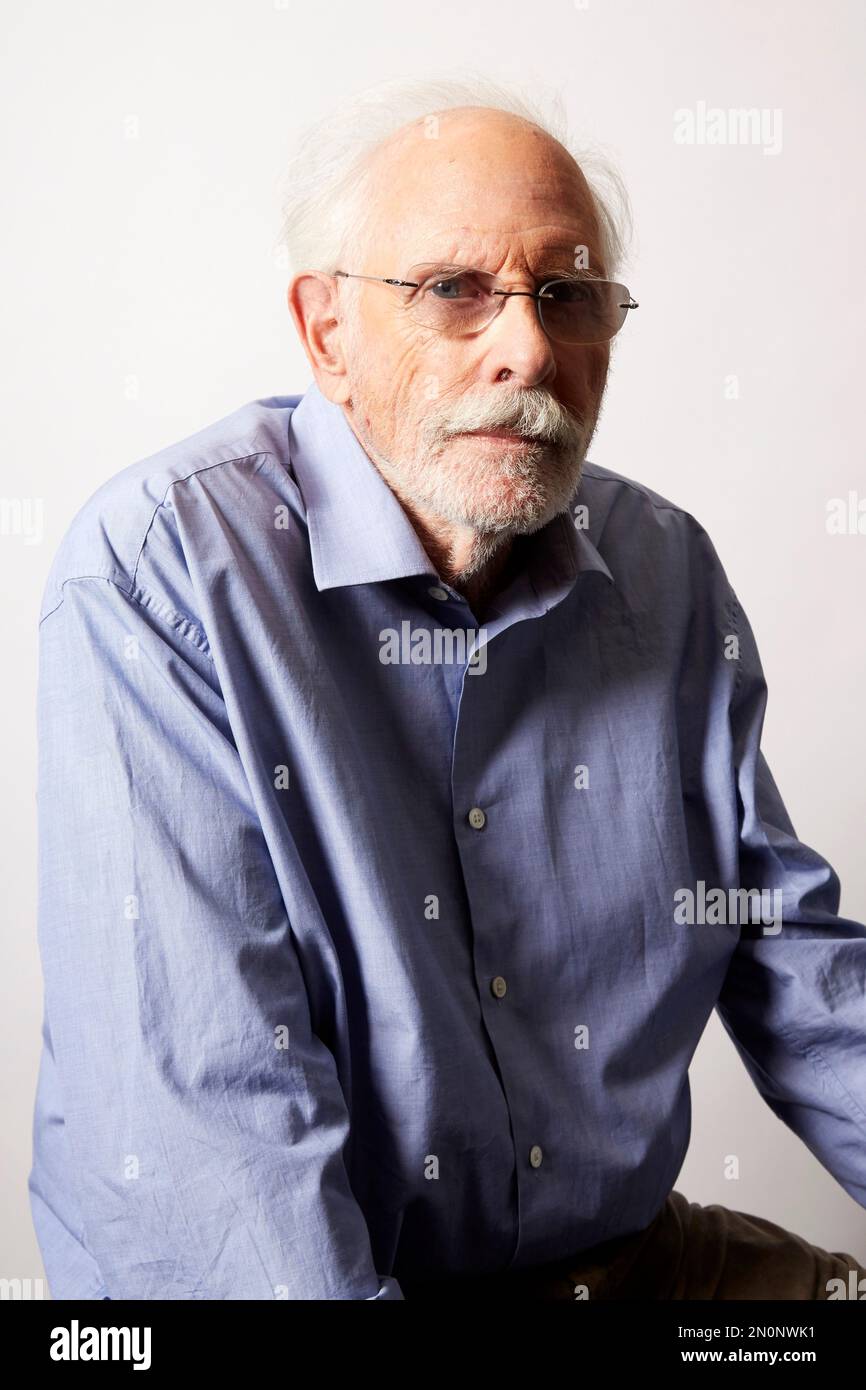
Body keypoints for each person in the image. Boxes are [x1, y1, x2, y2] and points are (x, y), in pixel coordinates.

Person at [29, 75, 866, 1300]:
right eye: (452, 289)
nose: (527, 344)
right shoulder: (164, 573)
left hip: (638, 1272)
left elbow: (791, 965)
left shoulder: (664, 570)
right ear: (326, 332)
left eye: (566, 293)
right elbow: (216, 1142)